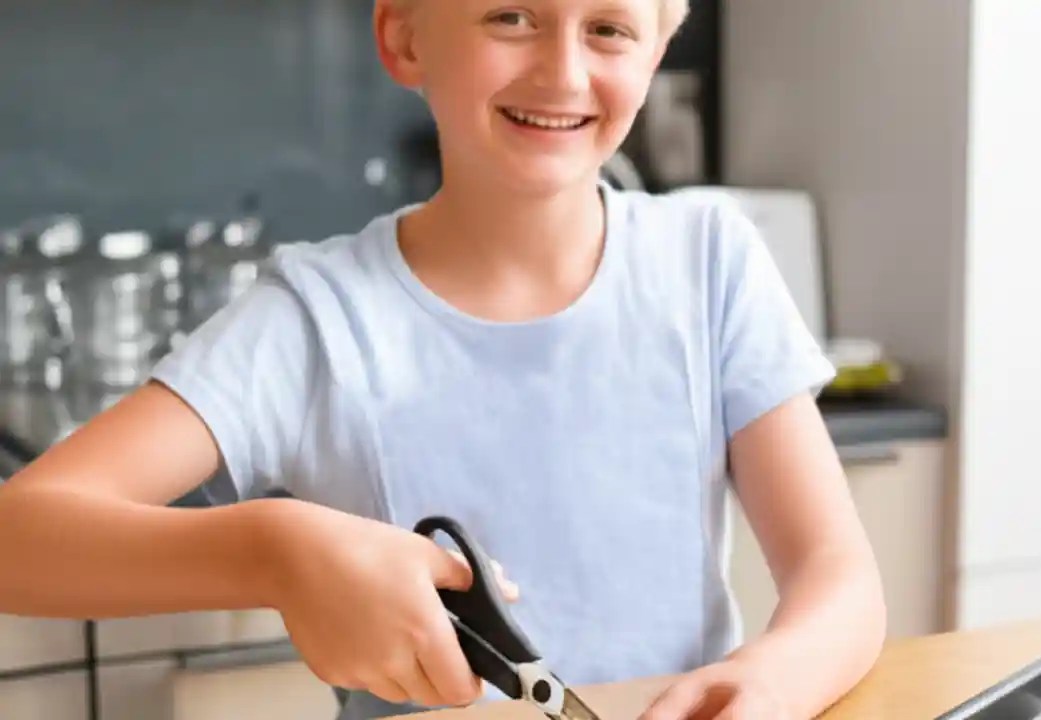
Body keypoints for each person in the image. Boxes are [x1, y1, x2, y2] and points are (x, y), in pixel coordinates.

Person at [0, 0, 887, 717]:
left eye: (609, 28)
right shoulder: (315, 321)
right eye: (511, 17)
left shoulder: (710, 261)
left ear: (659, 43)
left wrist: (771, 684)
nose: (564, 72)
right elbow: (19, 540)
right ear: (403, 35)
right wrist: (272, 551)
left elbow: (839, 582)